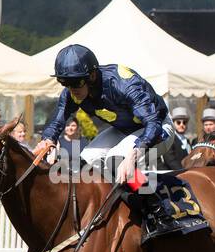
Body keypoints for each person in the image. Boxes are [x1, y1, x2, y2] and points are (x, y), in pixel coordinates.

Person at [34, 44, 173, 187]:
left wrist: (134, 154)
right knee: (86, 161)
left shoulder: (123, 84)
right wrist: (47, 140)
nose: (71, 89)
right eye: (64, 82)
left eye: (76, 82)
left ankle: (154, 205)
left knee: (116, 159)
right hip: (124, 130)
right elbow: (56, 123)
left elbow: (152, 123)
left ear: (92, 76)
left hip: (158, 129)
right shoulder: (72, 92)